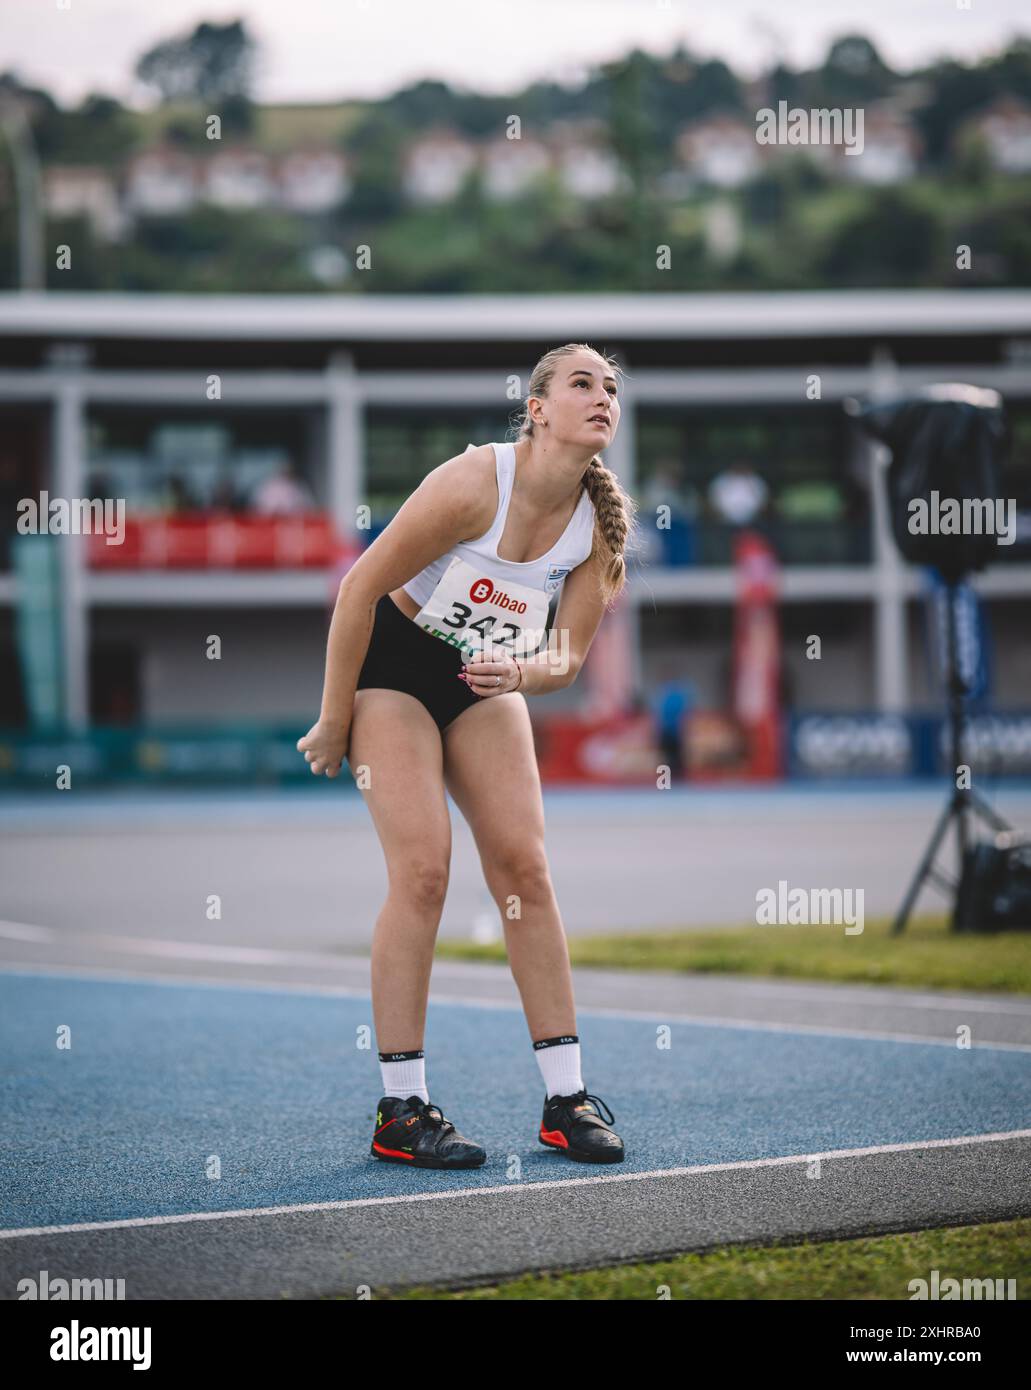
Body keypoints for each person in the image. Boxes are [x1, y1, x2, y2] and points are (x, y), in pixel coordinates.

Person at [297, 344, 639, 1170]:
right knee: (422, 872)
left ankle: (566, 1099)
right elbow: (357, 589)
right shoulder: (472, 482)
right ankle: (401, 1109)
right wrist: (333, 719)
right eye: (583, 384)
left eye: (612, 389)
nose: (602, 397)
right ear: (538, 409)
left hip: (484, 680)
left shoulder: (596, 528)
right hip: (394, 670)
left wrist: (518, 672)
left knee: (525, 869)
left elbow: (566, 658)